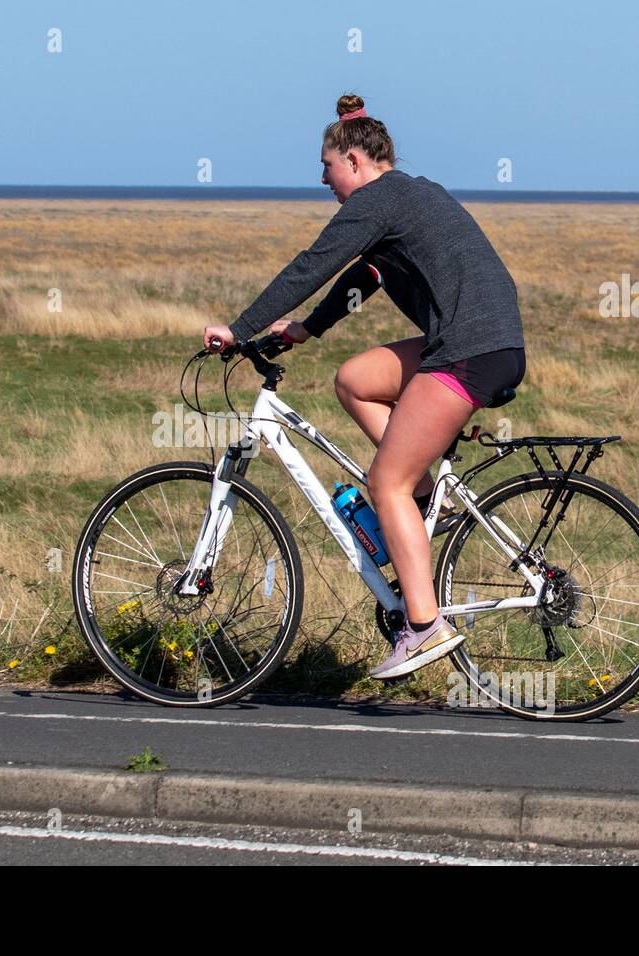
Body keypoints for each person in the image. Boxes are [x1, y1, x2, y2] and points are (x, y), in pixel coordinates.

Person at [202, 93, 526, 681]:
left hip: (469, 350)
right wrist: (305, 329)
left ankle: (425, 626)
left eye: (325, 166)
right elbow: (366, 275)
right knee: (355, 380)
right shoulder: (409, 194)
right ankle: (425, 494)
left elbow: (312, 264)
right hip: (478, 342)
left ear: (353, 159)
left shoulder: (378, 200)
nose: (320, 177)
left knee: (384, 482)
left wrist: (240, 328)